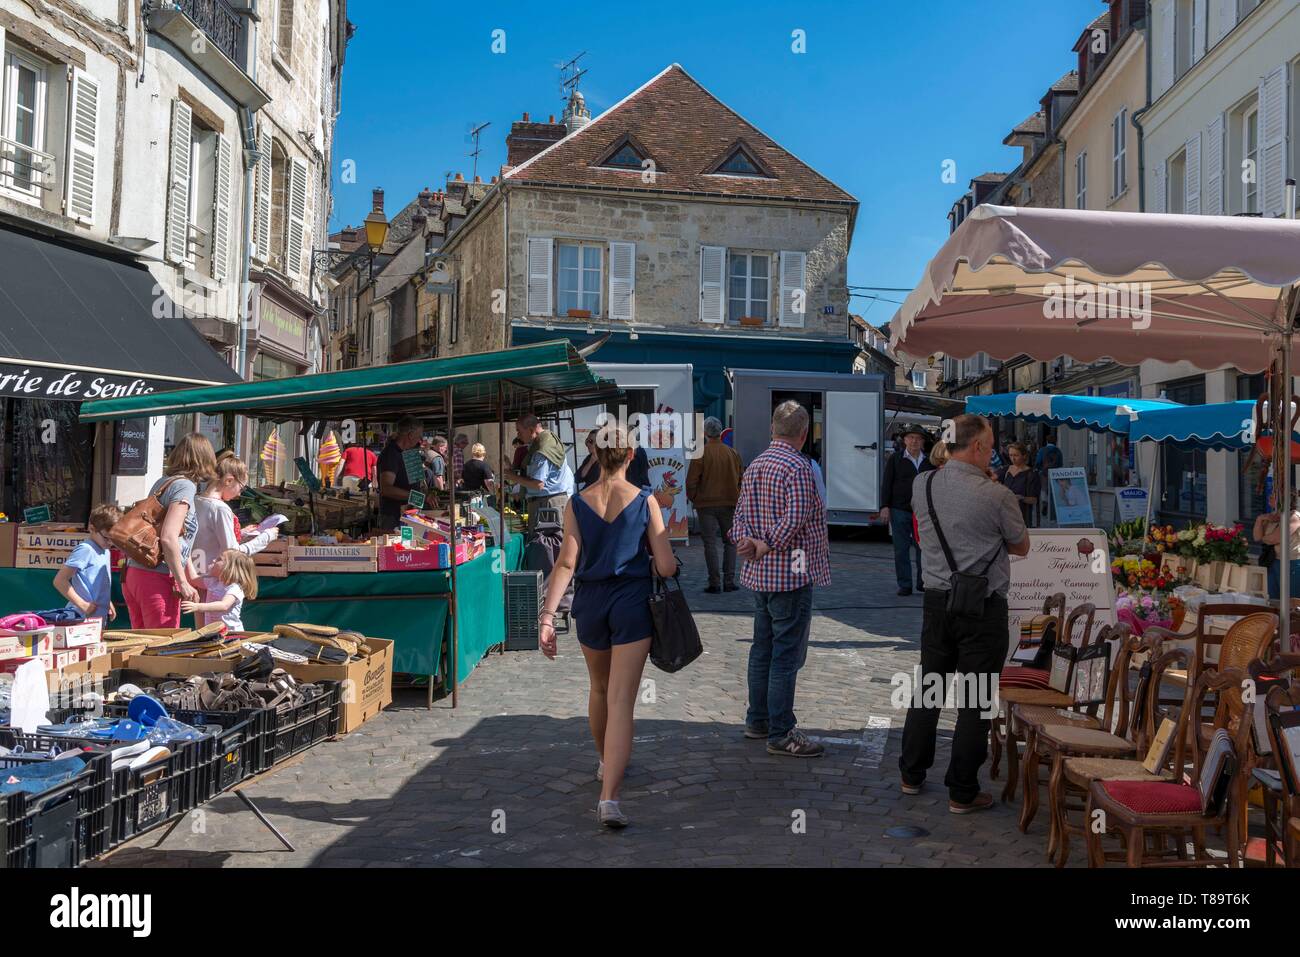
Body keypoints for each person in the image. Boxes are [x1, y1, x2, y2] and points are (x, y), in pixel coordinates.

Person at [538, 421, 678, 829]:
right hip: (632, 603)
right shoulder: (645, 501)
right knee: (622, 700)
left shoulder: (577, 503)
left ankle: (604, 763)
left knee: (599, 689)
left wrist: (547, 617)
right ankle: (609, 798)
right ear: (631, 456)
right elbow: (667, 565)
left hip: (591, 603)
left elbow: (566, 563)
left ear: (594, 455)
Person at [900, 414, 1031, 814]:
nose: (993, 453)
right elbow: (1021, 546)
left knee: (929, 688)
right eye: (990, 446)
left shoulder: (922, 483)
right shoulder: (997, 496)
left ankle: (911, 773)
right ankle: (961, 790)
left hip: (937, 599)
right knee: (975, 700)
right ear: (975, 448)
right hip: (983, 605)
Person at [728, 400, 831, 758]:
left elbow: (738, 514)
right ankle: (781, 731)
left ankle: (757, 720)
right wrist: (765, 542)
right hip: (790, 573)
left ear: (774, 429)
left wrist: (745, 541)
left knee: (763, 649)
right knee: (785, 654)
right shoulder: (799, 466)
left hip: (760, 574)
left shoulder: (755, 464)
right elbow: (797, 516)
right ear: (804, 434)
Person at [123, 433, 215, 628]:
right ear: (204, 459)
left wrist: (190, 576)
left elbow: (180, 541)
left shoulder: (164, 482)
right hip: (157, 577)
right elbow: (169, 537)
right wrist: (182, 582)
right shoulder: (185, 487)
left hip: (134, 573)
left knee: (139, 647)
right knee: (161, 649)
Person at [192, 453, 279, 588]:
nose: (239, 493)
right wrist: (266, 537)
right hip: (212, 580)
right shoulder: (220, 509)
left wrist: (241, 533)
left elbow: (208, 536)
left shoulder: (197, 500)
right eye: (241, 487)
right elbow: (233, 553)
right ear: (229, 480)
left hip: (196, 573)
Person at [686, 416, 744, 594]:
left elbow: (691, 481)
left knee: (709, 543)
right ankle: (729, 580)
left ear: (705, 432)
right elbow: (741, 478)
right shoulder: (732, 453)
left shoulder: (700, 453)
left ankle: (714, 582)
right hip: (729, 503)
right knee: (730, 543)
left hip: (706, 505)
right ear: (720, 432)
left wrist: (695, 498)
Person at [880, 425, 936, 596]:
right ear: (904, 440)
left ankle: (923, 582)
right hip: (900, 509)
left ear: (923, 442)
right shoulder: (896, 459)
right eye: (911, 438)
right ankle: (905, 584)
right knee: (901, 548)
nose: (914, 441)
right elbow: (887, 483)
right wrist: (885, 506)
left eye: (918, 438)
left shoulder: (929, 461)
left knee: (924, 548)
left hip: (923, 511)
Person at [502, 414, 575, 535]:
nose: (518, 435)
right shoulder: (539, 444)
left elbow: (538, 484)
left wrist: (514, 477)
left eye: (519, 431)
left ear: (531, 430)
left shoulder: (543, 448)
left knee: (547, 547)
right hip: (546, 502)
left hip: (547, 504)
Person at [54, 503, 122, 621]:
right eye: (106, 537)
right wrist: (83, 605)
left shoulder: (106, 551)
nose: (110, 543)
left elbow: (98, 584)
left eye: (114, 538)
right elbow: (59, 581)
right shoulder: (86, 549)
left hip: (97, 617)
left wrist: (107, 602)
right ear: (92, 528)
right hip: (81, 617)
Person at [181, 549, 257, 632]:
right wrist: (187, 556)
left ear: (230, 568)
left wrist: (198, 607)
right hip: (214, 632)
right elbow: (193, 579)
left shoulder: (235, 588)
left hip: (231, 633)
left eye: (219, 559)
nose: (214, 560)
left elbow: (224, 605)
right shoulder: (213, 582)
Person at [377, 417, 425, 532]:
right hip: (393, 516)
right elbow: (386, 488)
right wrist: (417, 498)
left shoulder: (410, 453)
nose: (420, 440)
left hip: (409, 513)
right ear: (410, 435)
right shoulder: (391, 453)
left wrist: (425, 495)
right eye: (419, 436)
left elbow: (418, 484)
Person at [1254, 490, 1300, 601]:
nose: (1269, 498)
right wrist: (1260, 519)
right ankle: (1277, 618)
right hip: (1273, 560)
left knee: (1291, 599)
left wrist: (1266, 539)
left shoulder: (1294, 516)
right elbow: (1256, 537)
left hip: (1291, 562)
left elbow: (1276, 538)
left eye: (1273, 497)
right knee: (1273, 597)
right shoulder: (1270, 517)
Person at [999, 441, 1041, 527]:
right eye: (1010, 455)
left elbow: (1034, 500)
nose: (1013, 459)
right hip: (1005, 517)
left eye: (1016, 455)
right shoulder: (1006, 470)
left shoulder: (1031, 474)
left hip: (1022, 518)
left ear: (1024, 456)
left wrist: (1021, 498)